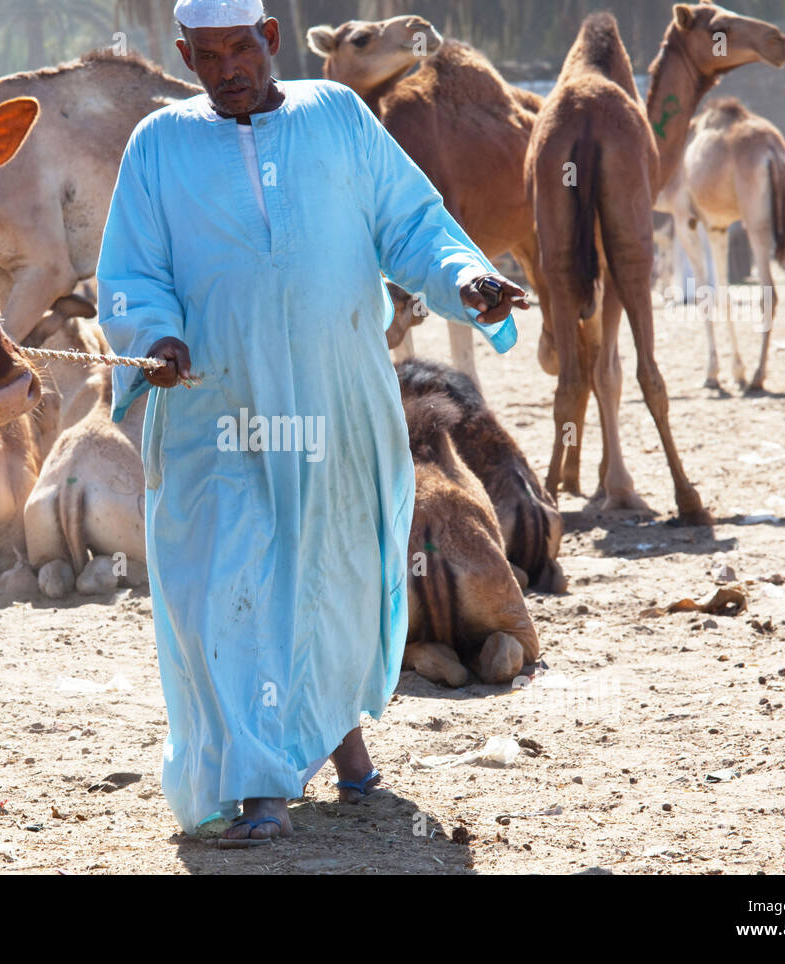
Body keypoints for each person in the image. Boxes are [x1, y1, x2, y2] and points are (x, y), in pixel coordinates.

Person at [97, 0, 529, 844]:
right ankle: (260, 783)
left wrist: (466, 278)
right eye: (207, 56)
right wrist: (155, 336)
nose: (227, 70)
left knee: (331, 574)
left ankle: (347, 748)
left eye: (240, 51)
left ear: (272, 40)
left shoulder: (338, 117)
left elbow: (411, 223)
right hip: (215, 411)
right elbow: (130, 273)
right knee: (231, 580)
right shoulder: (158, 146)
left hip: (338, 405)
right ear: (184, 55)